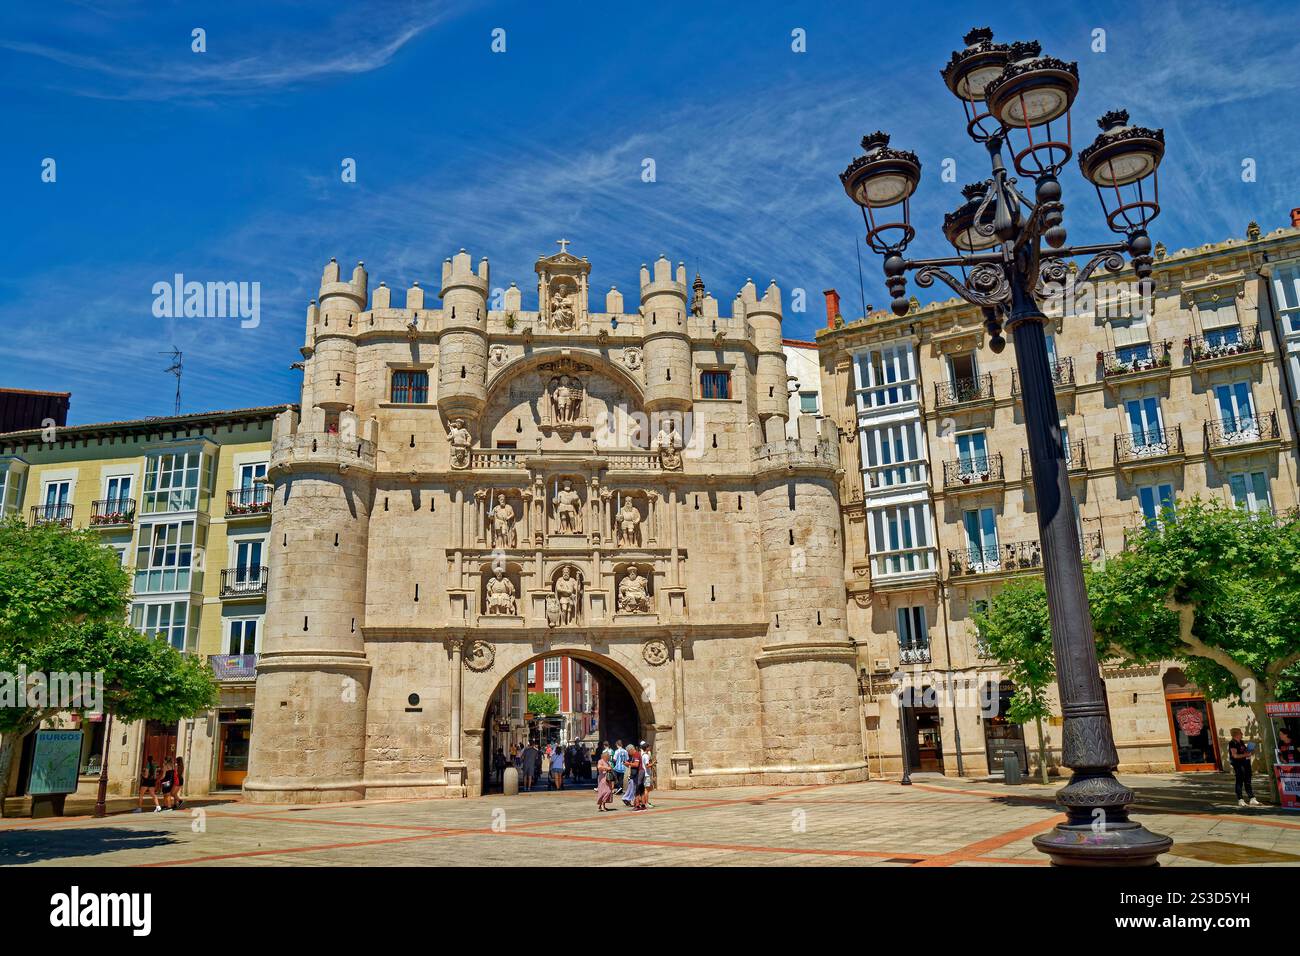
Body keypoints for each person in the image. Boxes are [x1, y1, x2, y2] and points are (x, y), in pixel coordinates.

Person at [1228, 728, 1262, 807]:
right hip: (1238, 765)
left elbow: (1244, 752)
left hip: (1246, 763)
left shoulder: (1241, 742)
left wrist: (1249, 751)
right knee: (1239, 781)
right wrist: (1245, 755)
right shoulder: (1232, 743)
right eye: (1240, 733)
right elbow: (1234, 755)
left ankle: (1252, 798)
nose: (1242, 734)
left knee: (1248, 781)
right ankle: (1240, 799)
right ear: (1236, 734)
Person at [640, 742, 655, 809]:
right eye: (649, 747)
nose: (650, 748)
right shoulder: (646, 756)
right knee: (646, 789)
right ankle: (646, 803)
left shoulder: (644, 755)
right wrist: (653, 763)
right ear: (646, 748)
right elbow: (647, 765)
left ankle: (644, 801)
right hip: (646, 774)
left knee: (648, 788)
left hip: (646, 774)